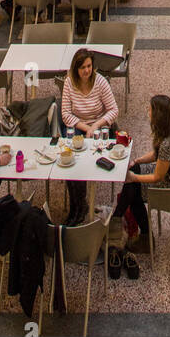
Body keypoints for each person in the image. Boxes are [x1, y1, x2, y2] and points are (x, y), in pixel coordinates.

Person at [112, 94, 170, 243]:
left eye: (150, 109)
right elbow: (158, 154)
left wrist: (133, 177)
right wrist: (137, 161)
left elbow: (158, 177)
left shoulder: (169, 143)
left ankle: (140, 233)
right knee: (135, 172)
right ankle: (117, 218)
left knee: (134, 188)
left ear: (158, 116)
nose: (147, 111)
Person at [60, 49, 118, 224]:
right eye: (83, 67)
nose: (87, 70)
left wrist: (95, 126)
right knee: (70, 162)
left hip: (98, 125)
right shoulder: (69, 82)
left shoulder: (100, 82)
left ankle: (80, 205)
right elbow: (65, 114)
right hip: (78, 125)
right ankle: (77, 205)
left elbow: (113, 110)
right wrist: (85, 127)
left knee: (84, 161)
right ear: (75, 69)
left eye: (89, 66)